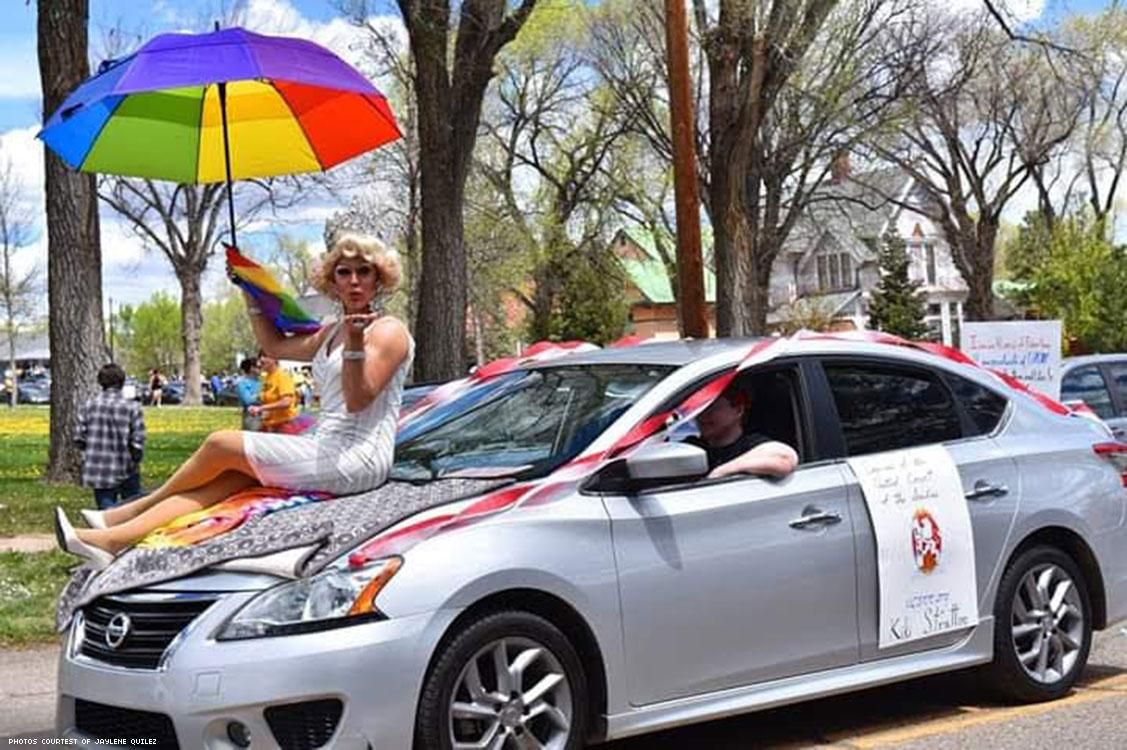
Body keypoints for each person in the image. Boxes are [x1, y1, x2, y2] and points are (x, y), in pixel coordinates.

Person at [54, 233, 413, 568]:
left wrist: (354, 343)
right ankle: (111, 540)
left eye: (363, 272)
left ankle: (131, 510)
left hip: (358, 459)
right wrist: (248, 290)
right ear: (332, 281)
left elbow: (357, 400)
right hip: (324, 446)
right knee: (226, 480)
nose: (354, 281)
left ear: (378, 278)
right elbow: (274, 346)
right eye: (344, 272)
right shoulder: (333, 330)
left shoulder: (389, 331)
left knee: (221, 443)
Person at [73, 364, 146, 511]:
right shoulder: (132, 407)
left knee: (106, 511)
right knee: (134, 509)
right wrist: (136, 458)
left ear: (100, 382)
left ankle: (108, 532)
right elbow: (137, 440)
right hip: (126, 467)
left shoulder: (88, 406)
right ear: (122, 382)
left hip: (99, 468)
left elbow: (79, 438)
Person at [683, 386, 798, 479]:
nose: (702, 415)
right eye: (699, 409)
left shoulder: (750, 445)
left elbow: (785, 459)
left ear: (738, 410)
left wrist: (721, 472)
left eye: (711, 408)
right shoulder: (691, 447)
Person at [250, 351, 299, 432]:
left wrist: (261, 408)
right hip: (270, 425)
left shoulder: (282, 376)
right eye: (260, 356)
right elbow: (268, 401)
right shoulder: (266, 378)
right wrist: (260, 411)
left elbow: (286, 402)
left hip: (285, 425)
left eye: (265, 356)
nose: (261, 359)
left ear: (276, 358)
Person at [235, 357, 262, 430]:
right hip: (252, 417)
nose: (261, 369)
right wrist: (262, 395)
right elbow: (248, 400)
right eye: (259, 367)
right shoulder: (242, 383)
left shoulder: (261, 381)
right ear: (251, 368)